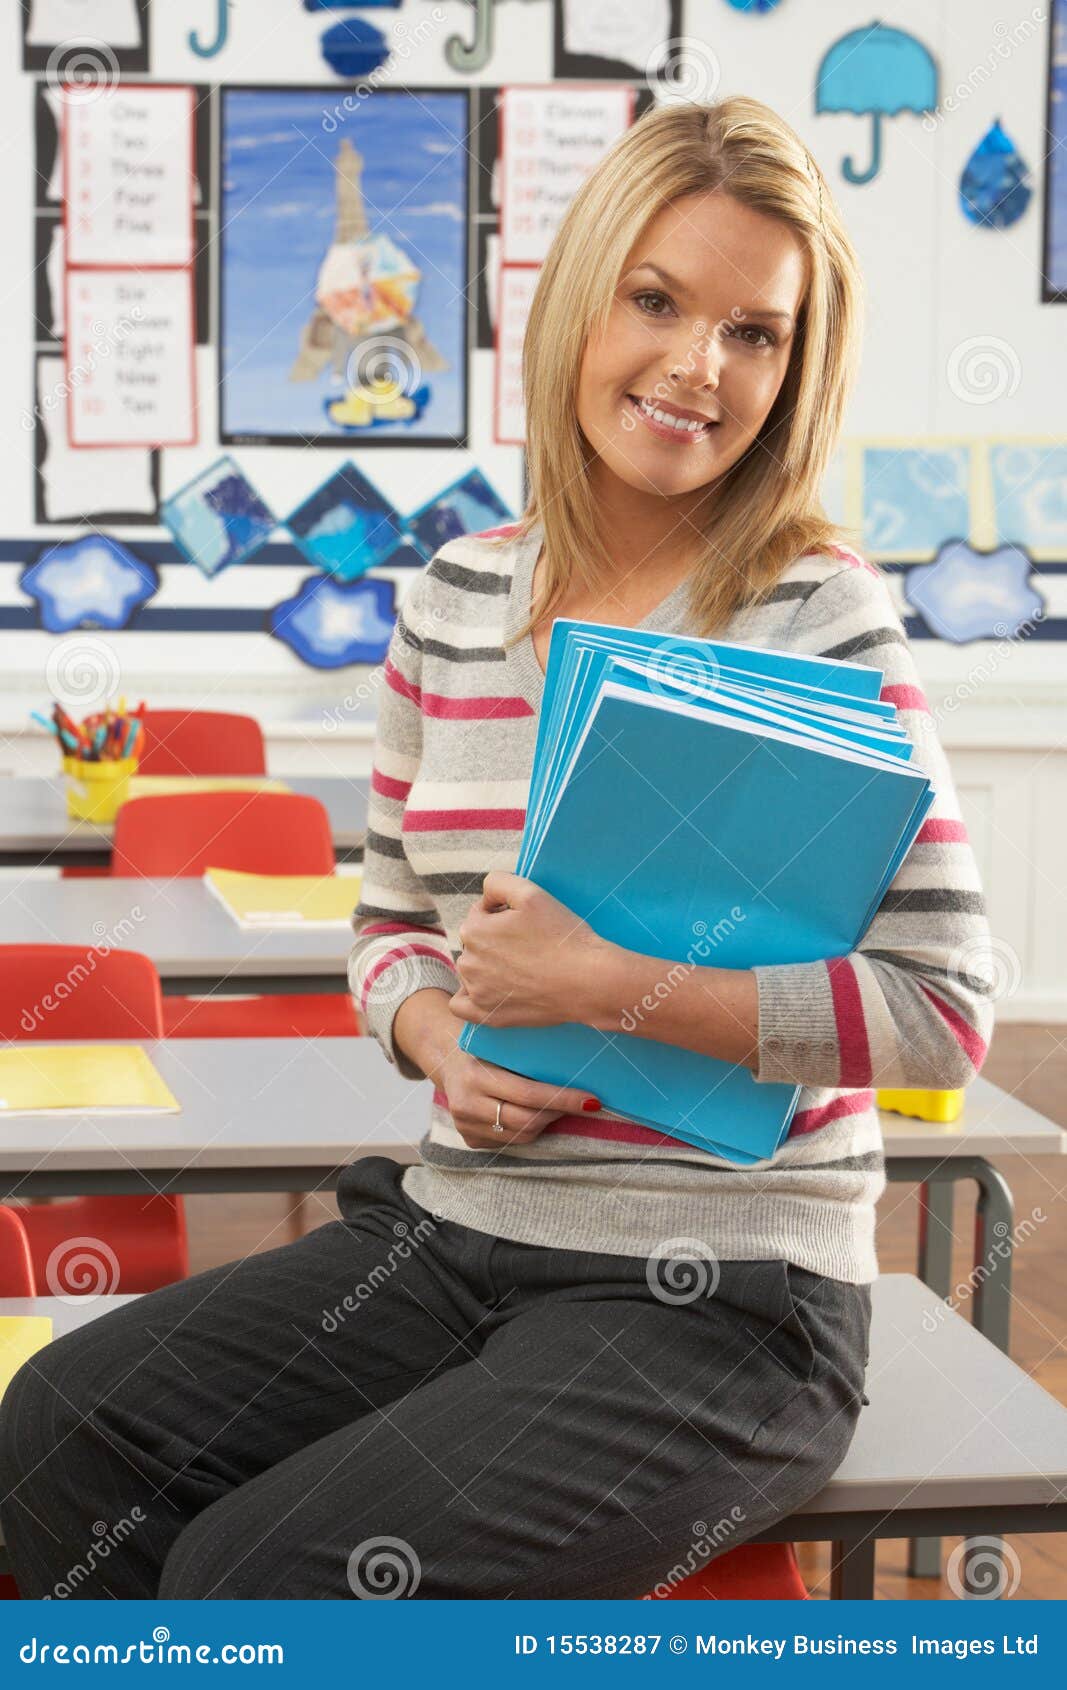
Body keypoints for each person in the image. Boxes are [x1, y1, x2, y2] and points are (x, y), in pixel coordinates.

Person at [0, 96, 994, 1601]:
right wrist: (435, 1030)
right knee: (51, 1427)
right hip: (456, 1229)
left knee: (255, 1579)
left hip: (726, 1291)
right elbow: (389, 918)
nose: (695, 367)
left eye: (756, 334)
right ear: (581, 295)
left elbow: (943, 1007)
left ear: (797, 372)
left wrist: (608, 982)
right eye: (656, 300)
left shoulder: (819, 613)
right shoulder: (452, 600)